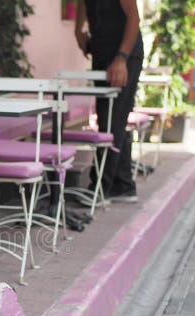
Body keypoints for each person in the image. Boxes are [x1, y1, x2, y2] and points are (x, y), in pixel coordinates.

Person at [74, 0, 144, 202]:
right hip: (101, 51)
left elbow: (134, 17)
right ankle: (123, 185)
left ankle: (100, 188)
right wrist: (78, 31)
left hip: (124, 55)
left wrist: (121, 58)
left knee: (112, 121)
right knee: (111, 119)